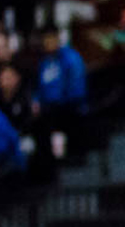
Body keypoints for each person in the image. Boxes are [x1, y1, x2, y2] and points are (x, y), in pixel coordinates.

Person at [33, 27, 88, 164]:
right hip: (49, 106)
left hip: (69, 105)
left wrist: (60, 101)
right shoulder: (44, 62)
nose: (49, 43)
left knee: (61, 118)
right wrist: (36, 100)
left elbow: (76, 86)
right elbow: (39, 86)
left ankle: (71, 156)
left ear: (58, 38)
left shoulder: (71, 58)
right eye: (46, 40)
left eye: (51, 39)